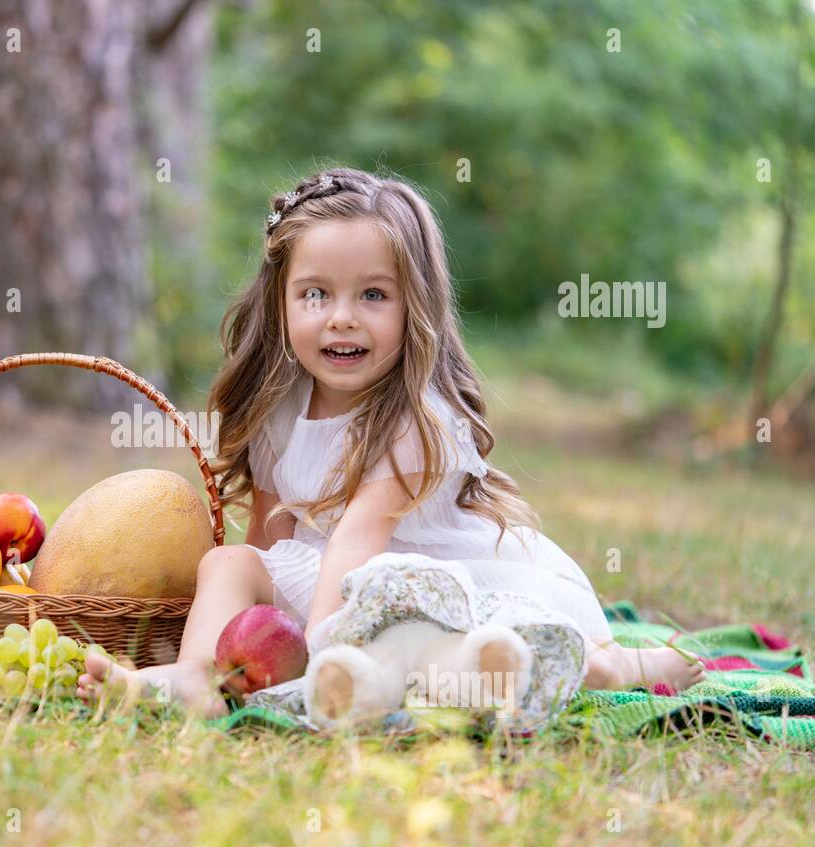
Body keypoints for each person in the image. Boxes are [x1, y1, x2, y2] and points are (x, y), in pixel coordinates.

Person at [77, 167, 703, 718]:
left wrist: (313, 655)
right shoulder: (278, 410)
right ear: (282, 301)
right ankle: (195, 678)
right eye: (316, 293)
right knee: (227, 563)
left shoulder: (414, 420)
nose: (342, 316)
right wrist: (246, 631)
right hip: (332, 579)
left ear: (414, 307)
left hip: (426, 581)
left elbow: (357, 543)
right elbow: (267, 542)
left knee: (487, 655)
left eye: (373, 294)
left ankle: (622, 665)